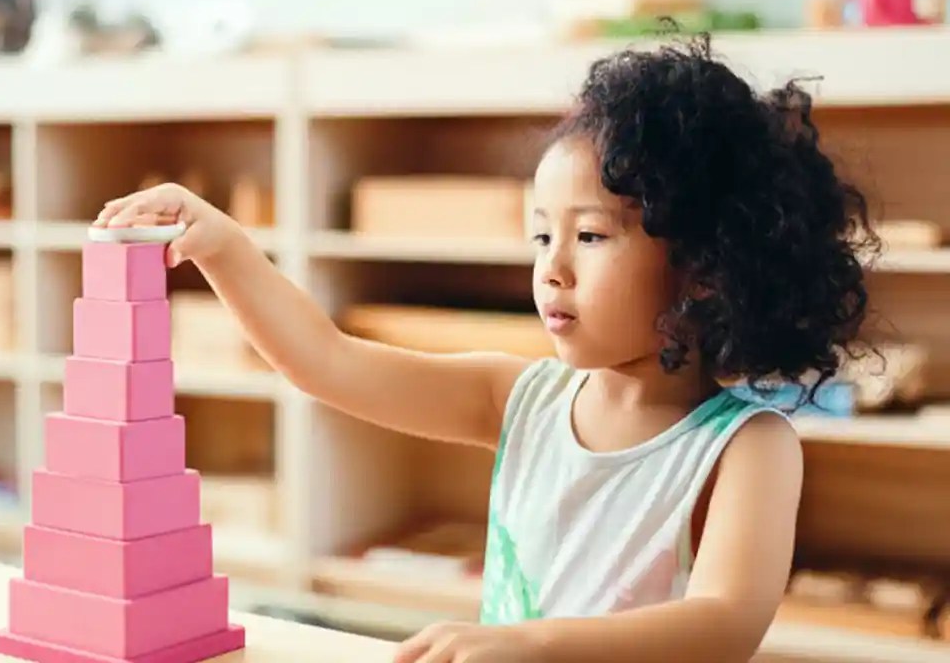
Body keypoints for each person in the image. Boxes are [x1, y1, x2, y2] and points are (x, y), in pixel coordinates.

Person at [90, 34, 877, 663]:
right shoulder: (519, 399)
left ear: (706, 265)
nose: (551, 269)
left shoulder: (747, 447)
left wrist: (527, 645)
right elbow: (325, 361)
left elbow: (723, 626)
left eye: (590, 236)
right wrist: (223, 246)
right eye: (541, 236)